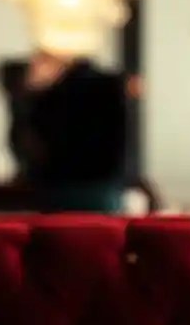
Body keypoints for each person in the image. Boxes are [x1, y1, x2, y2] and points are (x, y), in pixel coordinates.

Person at [18, 52, 128, 213]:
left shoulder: (51, 94)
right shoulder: (110, 86)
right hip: (101, 184)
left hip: (60, 185)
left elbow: (34, 141)